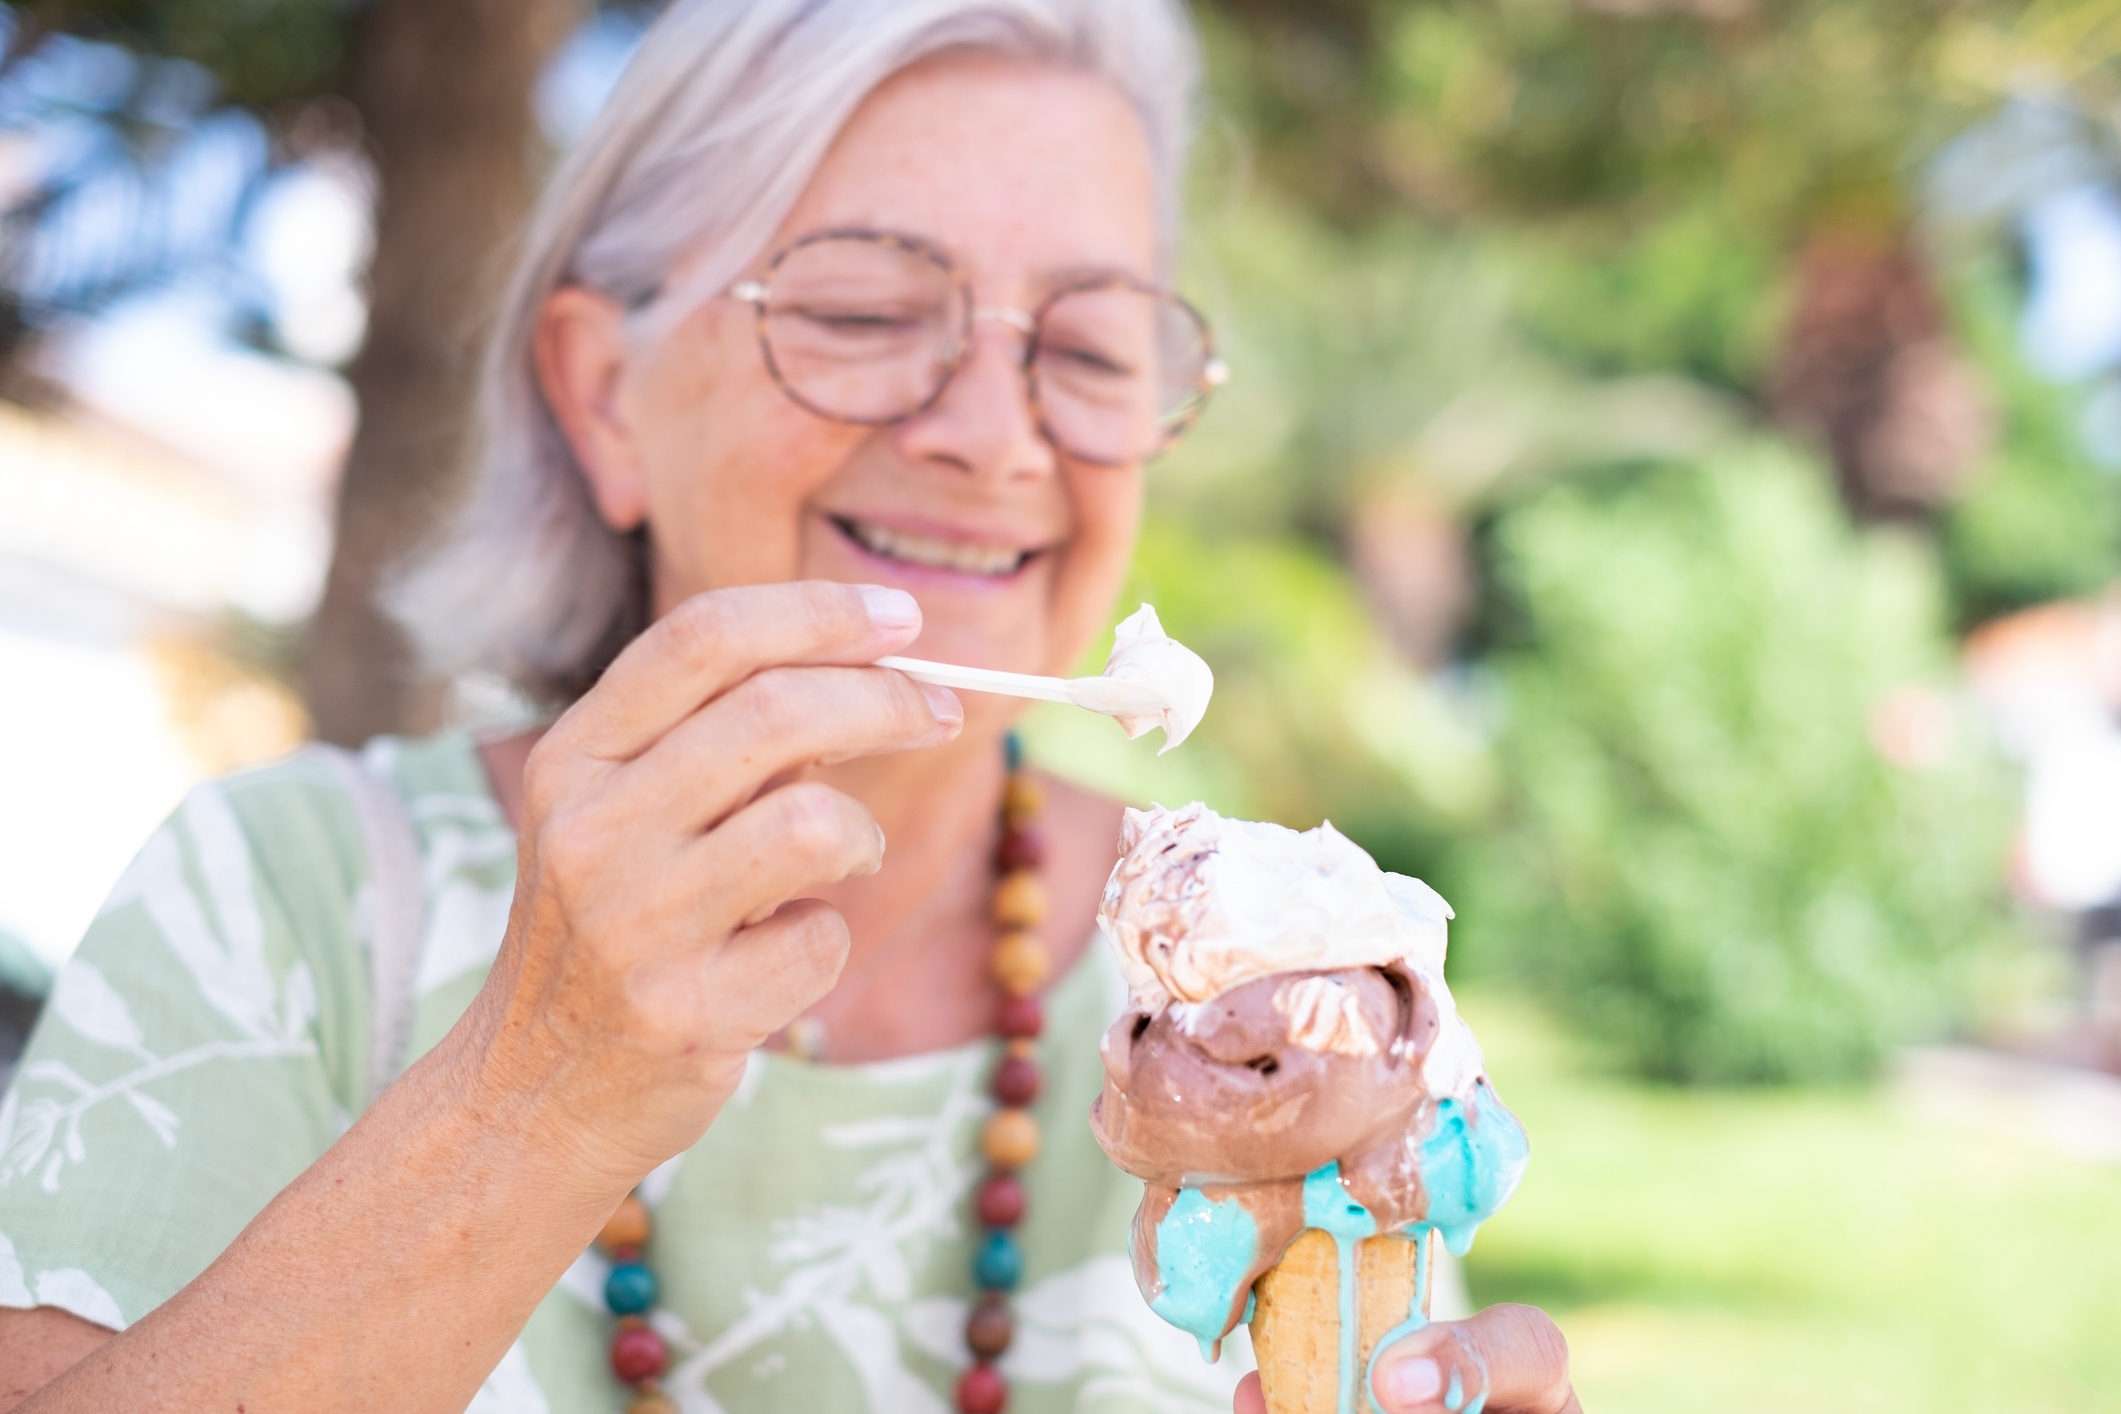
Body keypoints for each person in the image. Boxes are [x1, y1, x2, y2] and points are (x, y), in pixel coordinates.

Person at [0, 2, 1579, 1411]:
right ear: (604, 395)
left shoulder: (1267, 1005)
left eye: (1091, 347)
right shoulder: (278, 903)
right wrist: (532, 1091)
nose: (988, 434)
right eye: (863, 311)